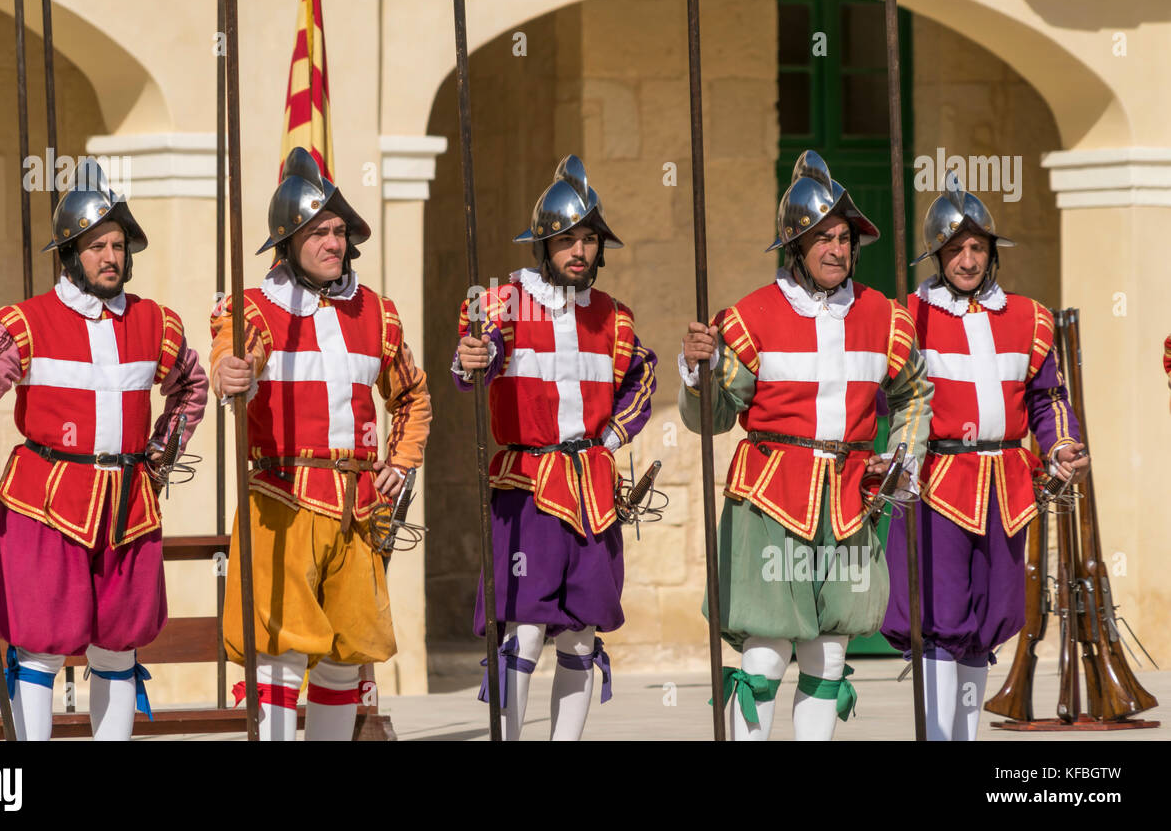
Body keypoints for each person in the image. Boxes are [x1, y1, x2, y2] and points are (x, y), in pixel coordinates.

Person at [0, 159, 208, 740]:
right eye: (96, 245)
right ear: (70, 253)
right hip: (44, 504)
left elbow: (192, 387)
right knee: (39, 649)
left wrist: (159, 456)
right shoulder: (25, 322)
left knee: (118, 648)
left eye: (118, 245)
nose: (111, 257)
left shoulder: (157, 323)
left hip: (128, 506)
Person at [679, 150, 932, 741]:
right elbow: (713, 419)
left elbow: (915, 392)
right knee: (765, 653)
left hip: (850, 498)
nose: (836, 249)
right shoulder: (748, 317)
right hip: (770, 495)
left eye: (843, 237)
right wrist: (699, 372)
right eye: (822, 238)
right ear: (796, 245)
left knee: (830, 654)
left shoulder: (886, 317)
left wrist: (902, 458)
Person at [211, 148, 431, 741]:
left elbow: (410, 396)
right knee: (279, 651)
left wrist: (403, 463)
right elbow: (234, 358)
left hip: (359, 505)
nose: (333, 242)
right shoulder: (251, 309)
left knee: (344, 652)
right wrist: (233, 373)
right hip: (281, 498)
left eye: (338, 231)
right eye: (318, 232)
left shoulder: (379, 314)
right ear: (288, 241)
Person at [453, 154, 657, 740]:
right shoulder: (500, 301)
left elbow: (643, 376)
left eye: (589, 240)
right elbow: (472, 363)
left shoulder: (615, 317)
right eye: (567, 239)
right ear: (543, 243)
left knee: (582, 633)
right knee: (524, 630)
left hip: (592, 486)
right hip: (527, 484)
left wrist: (614, 435)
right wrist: (472, 360)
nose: (579, 251)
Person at [881, 169, 1086, 740]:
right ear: (936, 255)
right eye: (954, 249)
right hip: (935, 480)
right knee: (938, 619)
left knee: (988, 622)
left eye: (977, 247)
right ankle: (938, 737)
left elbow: (1048, 399)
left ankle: (965, 738)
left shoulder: (1030, 318)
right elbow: (880, 397)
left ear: (991, 253)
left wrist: (1060, 444)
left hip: (1007, 485)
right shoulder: (906, 319)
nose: (967, 260)